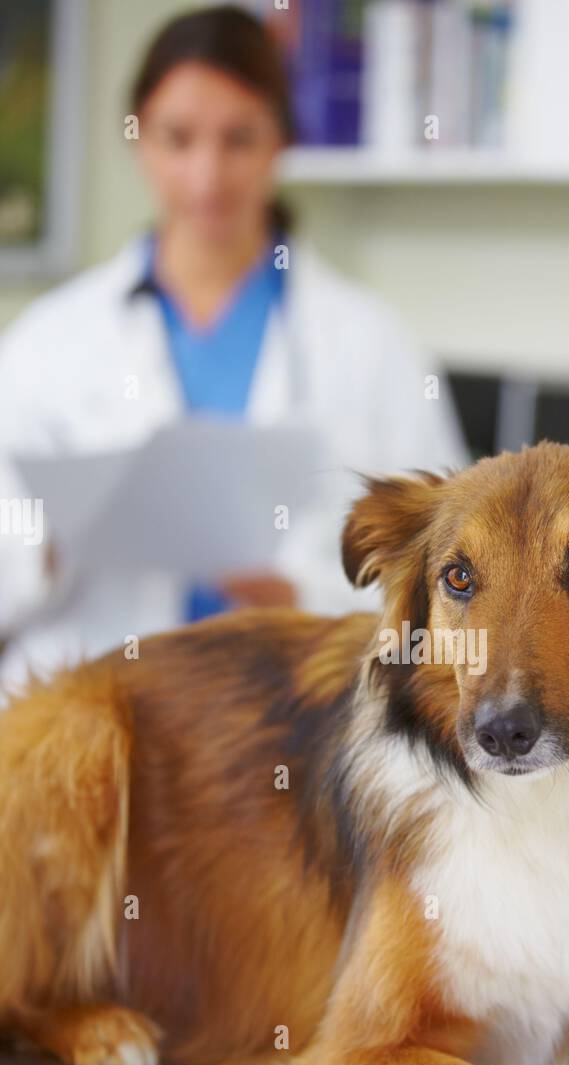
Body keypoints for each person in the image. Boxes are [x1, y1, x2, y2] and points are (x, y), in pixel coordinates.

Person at [0, 5, 466, 692]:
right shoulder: (51, 338)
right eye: (178, 138)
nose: (207, 176)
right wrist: (49, 544)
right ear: (138, 140)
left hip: (288, 717)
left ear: (282, 139)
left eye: (239, 139)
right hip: (82, 708)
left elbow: (453, 577)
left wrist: (294, 593)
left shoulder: (372, 345)